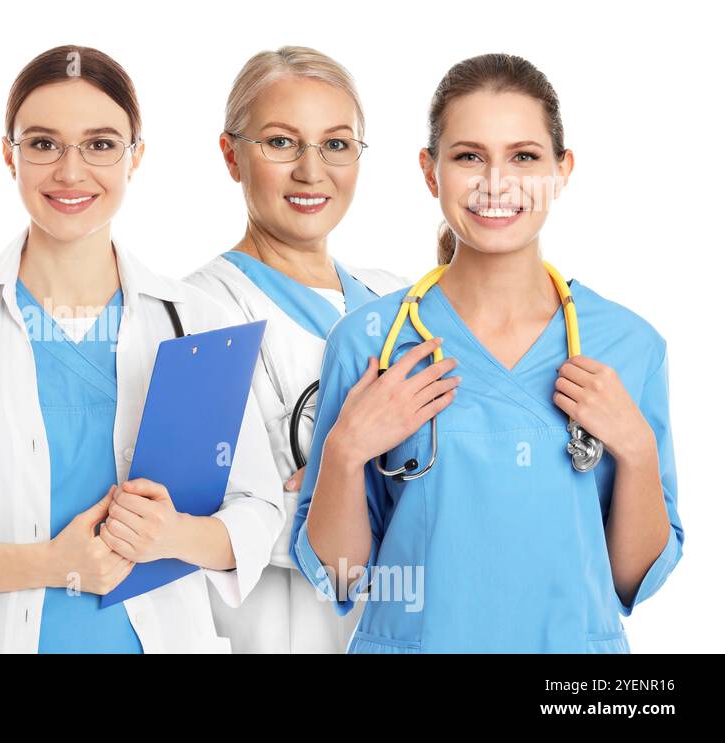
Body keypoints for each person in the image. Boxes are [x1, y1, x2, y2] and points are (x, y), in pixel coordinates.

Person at [0, 45, 284, 653]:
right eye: (44, 144)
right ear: (10, 155)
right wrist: (50, 564)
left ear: (136, 157)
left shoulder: (196, 324)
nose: (71, 172)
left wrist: (174, 535)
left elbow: (259, 510)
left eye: (101, 145)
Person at [290, 54, 683, 652]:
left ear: (562, 169)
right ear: (431, 172)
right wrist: (344, 453)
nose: (496, 183)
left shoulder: (628, 345)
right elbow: (342, 577)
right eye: (469, 156)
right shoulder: (372, 340)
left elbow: (630, 579)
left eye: (524, 157)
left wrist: (635, 449)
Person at [186, 46, 407, 653]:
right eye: (281, 143)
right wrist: (350, 470)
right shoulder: (194, 315)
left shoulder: (399, 300)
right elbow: (194, 527)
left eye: (336, 144)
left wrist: (325, 486)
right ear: (232, 155)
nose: (312, 171)